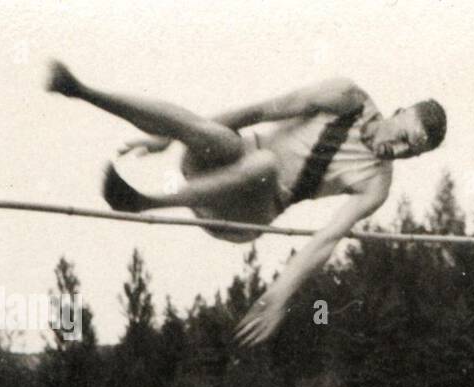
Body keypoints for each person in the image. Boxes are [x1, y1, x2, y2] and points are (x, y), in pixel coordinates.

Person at [45, 61, 446, 345]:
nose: (398, 150)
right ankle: (81, 90)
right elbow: (258, 110)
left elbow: (325, 240)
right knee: (222, 137)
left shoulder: (375, 184)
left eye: (411, 152)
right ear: (399, 111)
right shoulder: (346, 96)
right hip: (213, 169)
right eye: (404, 135)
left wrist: (278, 297)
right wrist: (171, 133)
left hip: (242, 217)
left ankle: (146, 202)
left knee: (265, 163)